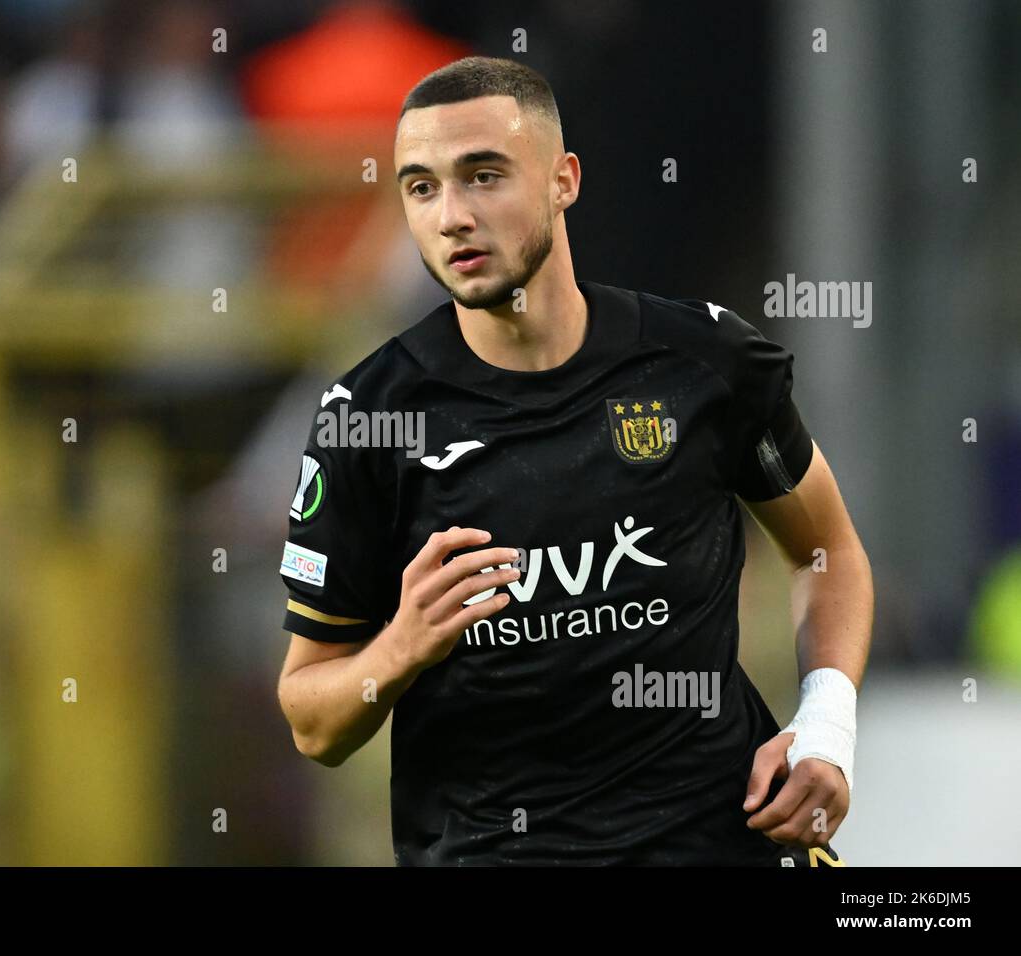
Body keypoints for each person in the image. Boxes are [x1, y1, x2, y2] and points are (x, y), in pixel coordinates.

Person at [275, 56, 873, 865]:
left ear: (564, 180)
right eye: (422, 187)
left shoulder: (702, 361)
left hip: (721, 841)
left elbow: (824, 549)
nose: (452, 216)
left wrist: (826, 728)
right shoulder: (369, 420)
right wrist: (400, 647)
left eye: (484, 176)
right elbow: (312, 720)